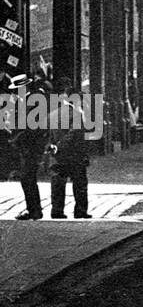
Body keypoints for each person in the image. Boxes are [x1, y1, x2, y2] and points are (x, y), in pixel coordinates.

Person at [49, 81, 90, 219]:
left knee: (57, 185)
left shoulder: (52, 114)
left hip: (57, 157)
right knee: (79, 184)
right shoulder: (77, 115)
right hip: (74, 156)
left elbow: (46, 135)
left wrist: (53, 147)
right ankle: (80, 211)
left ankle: (57, 211)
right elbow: (74, 134)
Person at [13, 76, 50, 220]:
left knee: (27, 178)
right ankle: (34, 209)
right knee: (27, 178)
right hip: (27, 146)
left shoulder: (33, 101)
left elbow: (33, 126)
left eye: (17, 90)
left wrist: (18, 137)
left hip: (32, 146)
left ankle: (34, 210)